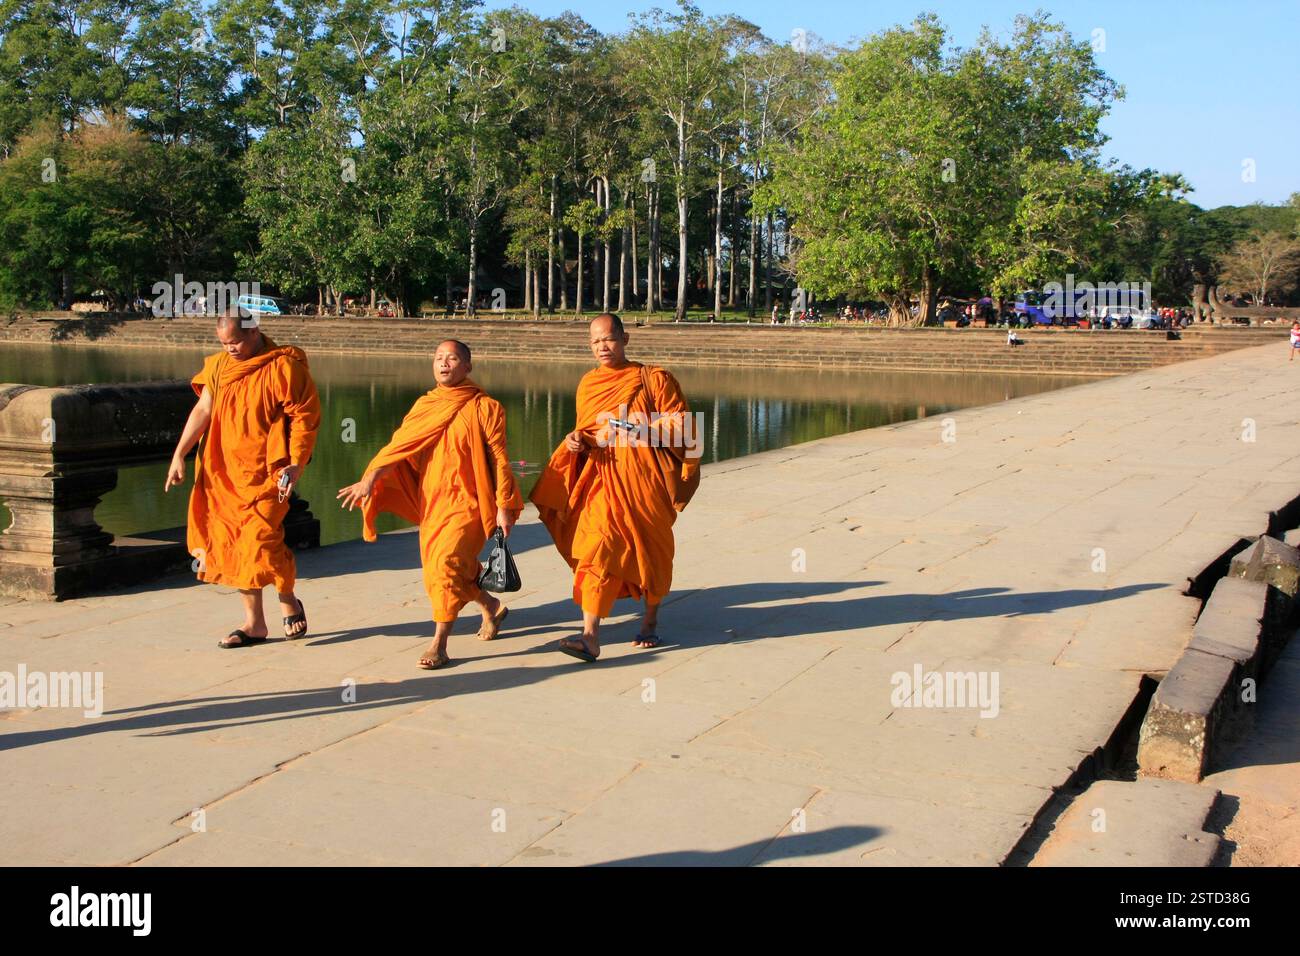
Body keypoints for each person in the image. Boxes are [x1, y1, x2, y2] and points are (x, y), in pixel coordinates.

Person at [337, 340, 522, 670]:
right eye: (439, 358)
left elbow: (500, 458)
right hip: (434, 500)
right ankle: (490, 605)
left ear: (468, 367)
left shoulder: (485, 407)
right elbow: (398, 447)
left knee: (447, 562)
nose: (444, 363)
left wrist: (504, 503)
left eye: (452, 358)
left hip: (470, 501)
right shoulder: (426, 405)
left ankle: (439, 642)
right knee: (446, 568)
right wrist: (370, 479)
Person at [530, 314, 700, 662]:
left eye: (608, 339)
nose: (602, 347)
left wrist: (644, 426)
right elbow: (587, 431)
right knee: (595, 548)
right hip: (604, 479)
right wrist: (577, 440)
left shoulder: (653, 378)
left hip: (646, 482)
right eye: (594, 342)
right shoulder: (589, 383)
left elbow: (686, 428)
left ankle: (650, 618)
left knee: (650, 553)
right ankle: (590, 636)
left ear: (624, 339)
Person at [164, 311, 321, 647]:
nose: (230, 349)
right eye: (223, 343)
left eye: (235, 341)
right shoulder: (220, 367)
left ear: (254, 332)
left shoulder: (283, 366)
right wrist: (179, 454)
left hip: (269, 470)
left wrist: (297, 463)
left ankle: (287, 597)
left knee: (263, 537)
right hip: (224, 472)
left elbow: (305, 417)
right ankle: (254, 625)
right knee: (235, 542)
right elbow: (204, 410)